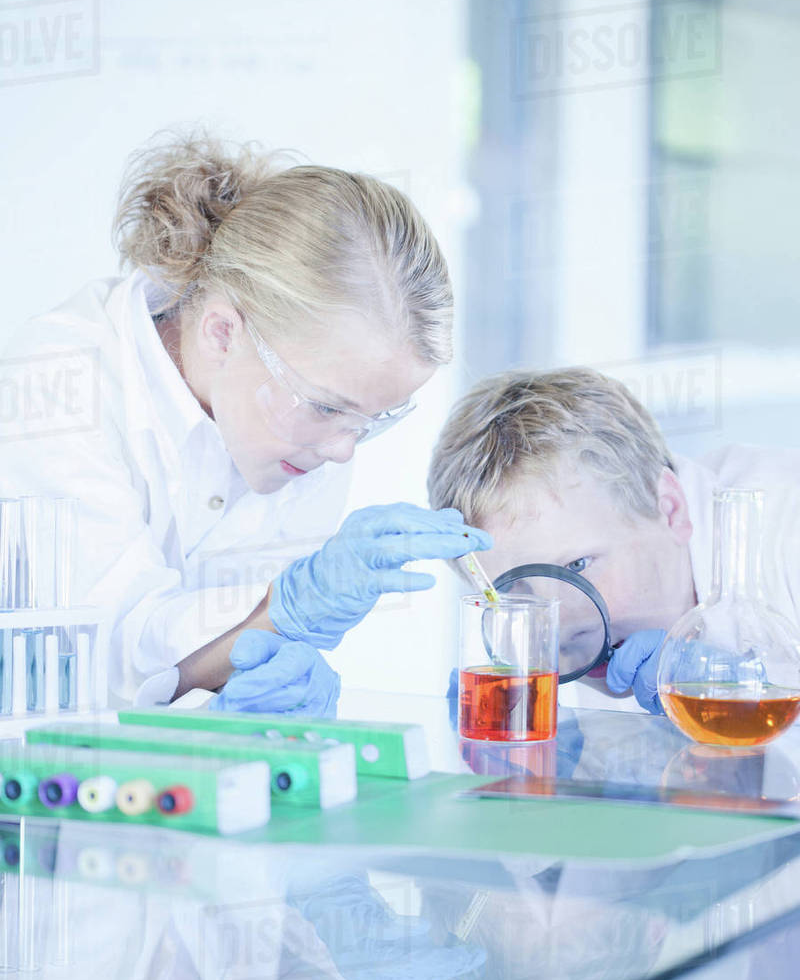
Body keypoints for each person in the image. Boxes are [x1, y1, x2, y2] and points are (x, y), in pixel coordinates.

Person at [0, 132, 490, 709]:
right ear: (222, 332)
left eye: (370, 420)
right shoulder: (61, 382)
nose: (342, 452)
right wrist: (285, 612)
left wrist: (270, 672)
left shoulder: (315, 427)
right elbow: (100, 661)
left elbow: (224, 658)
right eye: (329, 407)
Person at [427, 367, 800, 713]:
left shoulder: (788, 529)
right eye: (516, 592)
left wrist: (767, 696)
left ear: (671, 508)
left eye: (577, 566)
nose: (559, 631)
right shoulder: (557, 650)